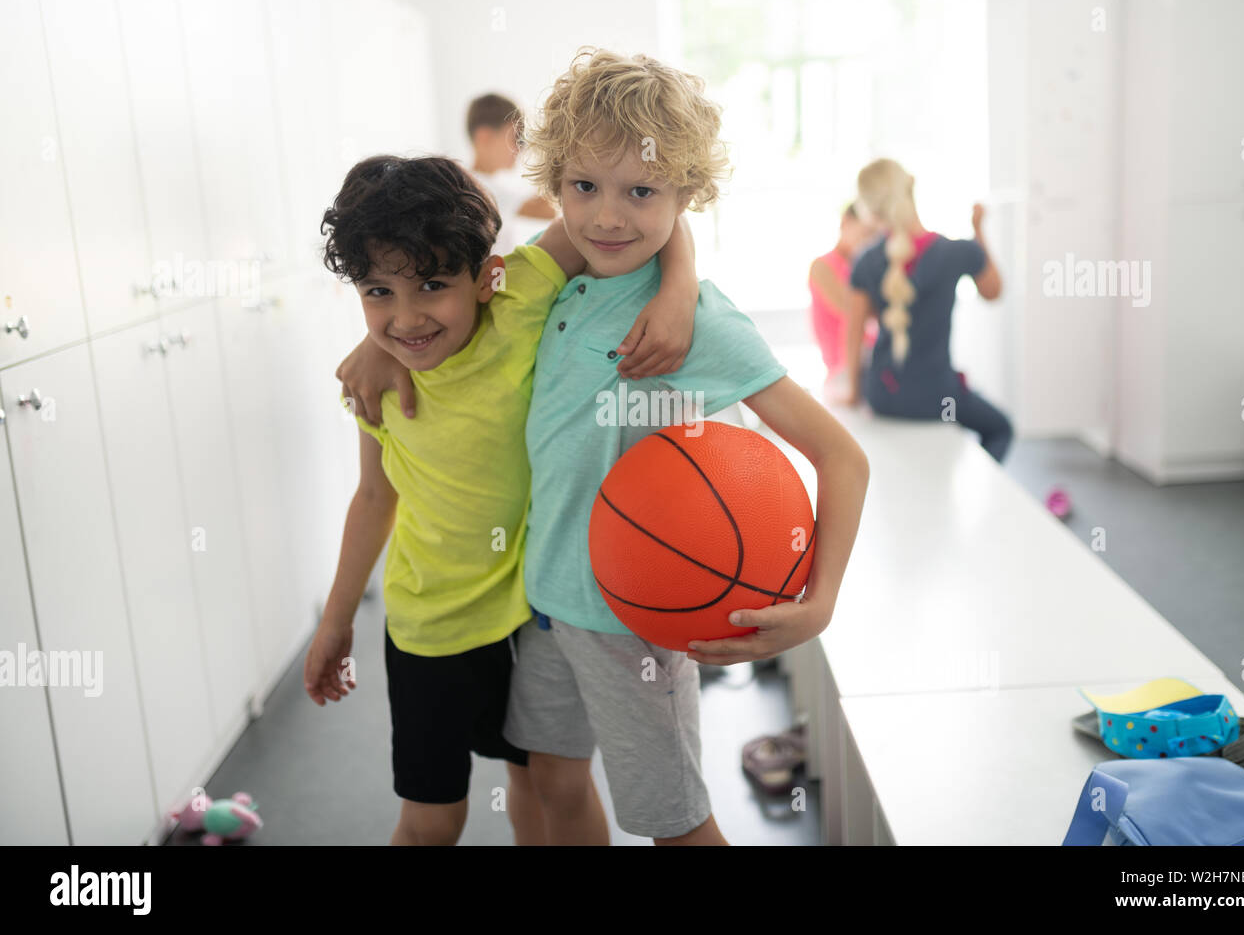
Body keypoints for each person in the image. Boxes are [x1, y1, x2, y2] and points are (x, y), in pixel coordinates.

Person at [335, 47, 871, 846]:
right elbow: (420, 295)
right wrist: (377, 341)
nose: (608, 217)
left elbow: (842, 456)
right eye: (583, 187)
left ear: (685, 195)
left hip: (638, 621)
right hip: (546, 606)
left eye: (642, 192)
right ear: (556, 184)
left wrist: (820, 602)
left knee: (674, 823)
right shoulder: (545, 285)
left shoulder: (699, 323)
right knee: (551, 779)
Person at [303, 153, 700, 846]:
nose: (407, 318)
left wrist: (679, 292)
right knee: (431, 820)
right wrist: (336, 622)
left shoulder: (517, 301)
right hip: (429, 632)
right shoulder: (375, 384)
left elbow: (640, 220)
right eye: (378, 292)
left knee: (546, 787)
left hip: (531, 616)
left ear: (485, 277)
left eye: (431, 284)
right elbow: (373, 496)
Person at [842, 158, 1014, 462]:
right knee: (1001, 428)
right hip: (939, 400)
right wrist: (978, 229)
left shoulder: (864, 260)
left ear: (872, 210)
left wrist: (854, 394)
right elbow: (993, 292)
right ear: (910, 189)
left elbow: (854, 335)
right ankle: (985, 483)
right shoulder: (958, 252)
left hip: (882, 396)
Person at [808, 202, 883, 399]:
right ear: (845, 223)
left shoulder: (865, 268)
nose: (870, 240)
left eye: (874, 234)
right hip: (845, 367)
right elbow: (853, 310)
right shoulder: (822, 266)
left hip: (871, 357)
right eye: (866, 232)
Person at [467, 93, 556, 253]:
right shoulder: (480, 188)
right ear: (484, 137)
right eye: (516, 137)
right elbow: (548, 210)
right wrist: (547, 146)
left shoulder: (473, 182)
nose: (520, 148)